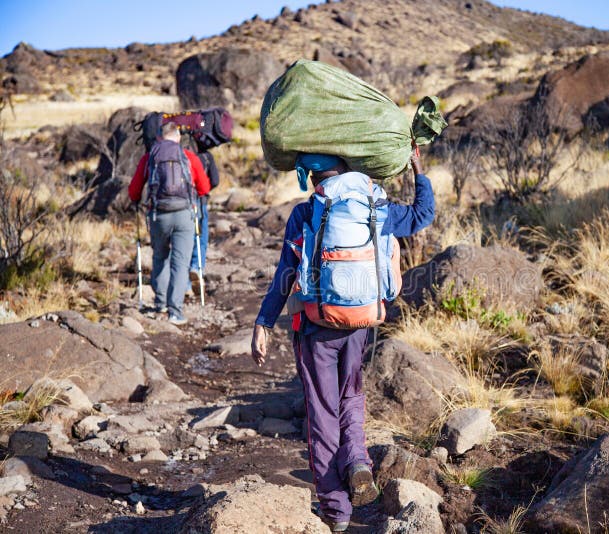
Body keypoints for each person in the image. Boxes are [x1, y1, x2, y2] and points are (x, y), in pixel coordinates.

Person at [250, 151, 434, 531]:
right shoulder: (374, 206)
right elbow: (422, 215)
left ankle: (335, 512)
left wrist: (264, 322)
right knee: (351, 397)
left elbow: (286, 273)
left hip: (316, 327)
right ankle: (358, 464)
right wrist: (418, 167)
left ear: (313, 178)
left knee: (322, 413)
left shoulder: (308, 212)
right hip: (359, 322)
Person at [128, 121, 211, 325]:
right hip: (184, 215)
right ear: (178, 137)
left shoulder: (150, 157)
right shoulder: (188, 156)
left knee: (160, 257)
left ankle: (160, 302)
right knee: (180, 262)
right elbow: (204, 188)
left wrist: (138, 200)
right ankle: (176, 312)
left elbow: (134, 191)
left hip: (158, 216)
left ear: (159, 137)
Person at [187, 150, 219, 296]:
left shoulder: (174, 151)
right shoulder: (205, 156)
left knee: (183, 241)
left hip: (177, 203)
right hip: (200, 200)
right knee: (200, 238)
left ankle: (185, 286)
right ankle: (196, 267)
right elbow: (215, 180)